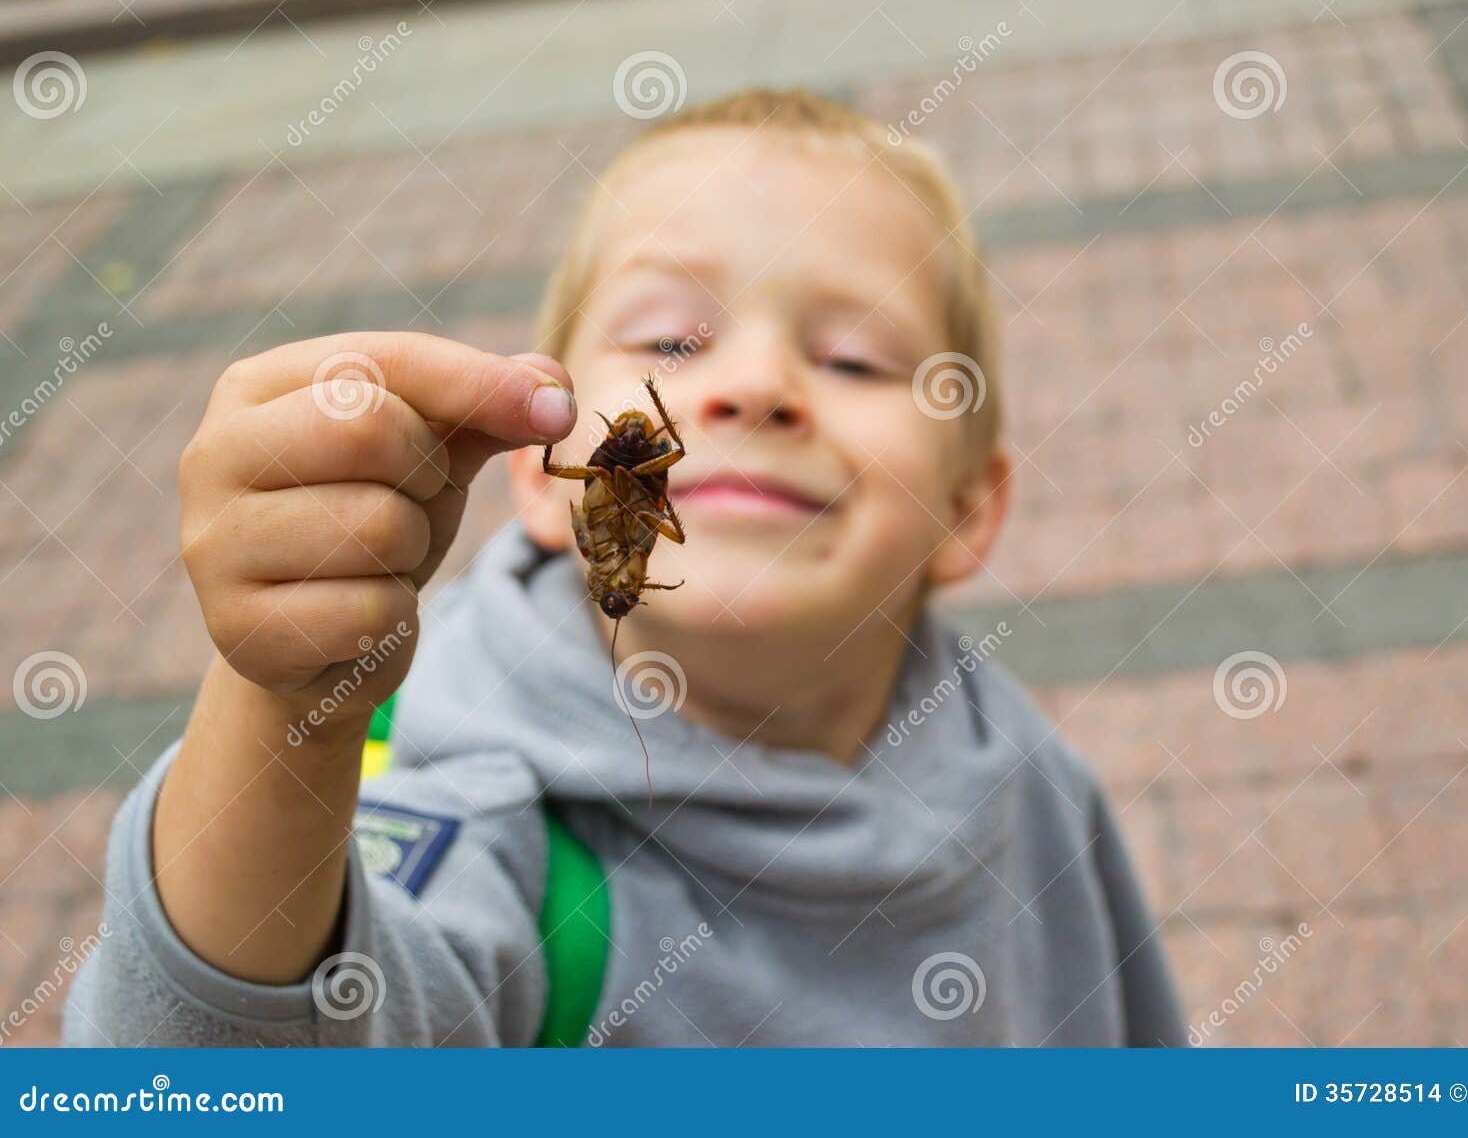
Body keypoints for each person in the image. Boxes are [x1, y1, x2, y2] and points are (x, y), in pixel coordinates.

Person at [64, 88, 1184, 1046]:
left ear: (967, 508)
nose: (751, 384)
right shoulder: (488, 830)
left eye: (852, 356)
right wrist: (283, 696)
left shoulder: (1029, 772)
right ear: (543, 481)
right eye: (666, 342)